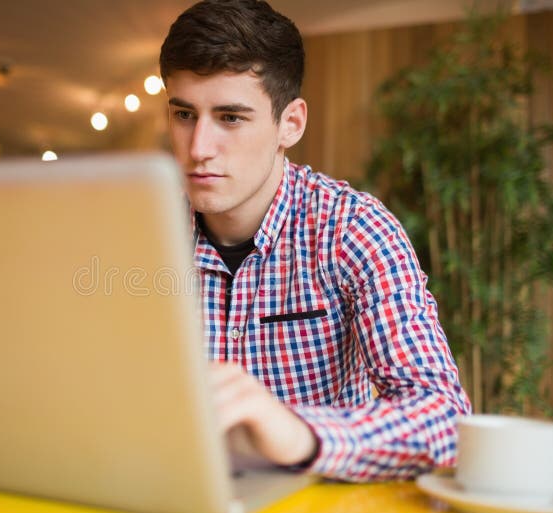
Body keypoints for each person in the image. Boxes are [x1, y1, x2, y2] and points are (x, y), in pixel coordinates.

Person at [159, 0, 471, 482]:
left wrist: (300, 434)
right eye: (184, 114)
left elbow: (445, 419)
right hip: (170, 494)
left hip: (314, 500)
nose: (198, 148)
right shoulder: (142, 232)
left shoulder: (353, 229)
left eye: (231, 118)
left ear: (291, 124)